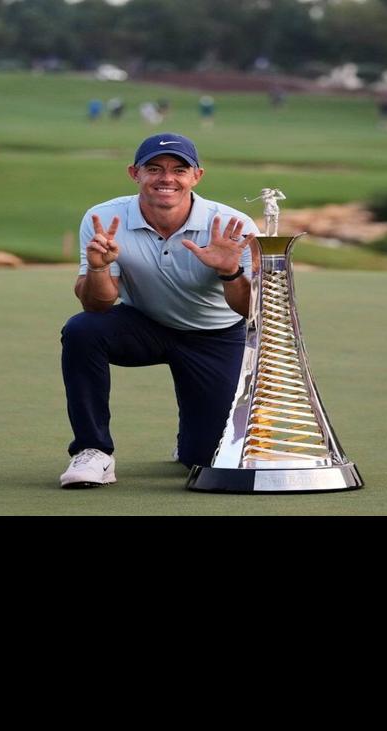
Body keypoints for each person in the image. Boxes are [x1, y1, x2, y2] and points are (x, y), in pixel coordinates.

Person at [59, 133, 259, 488]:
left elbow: (251, 311)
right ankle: (93, 451)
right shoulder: (104, 218)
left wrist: (230, 271)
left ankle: (192, 442)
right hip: (145, 323)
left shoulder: (234, 226)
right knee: (82, 330)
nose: (166, 178)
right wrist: (100, 268)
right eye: (154, 168)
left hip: (214, 336)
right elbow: (96, 304)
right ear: (134, 173)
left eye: (179, 170)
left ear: (197, 176)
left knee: (205, 458)